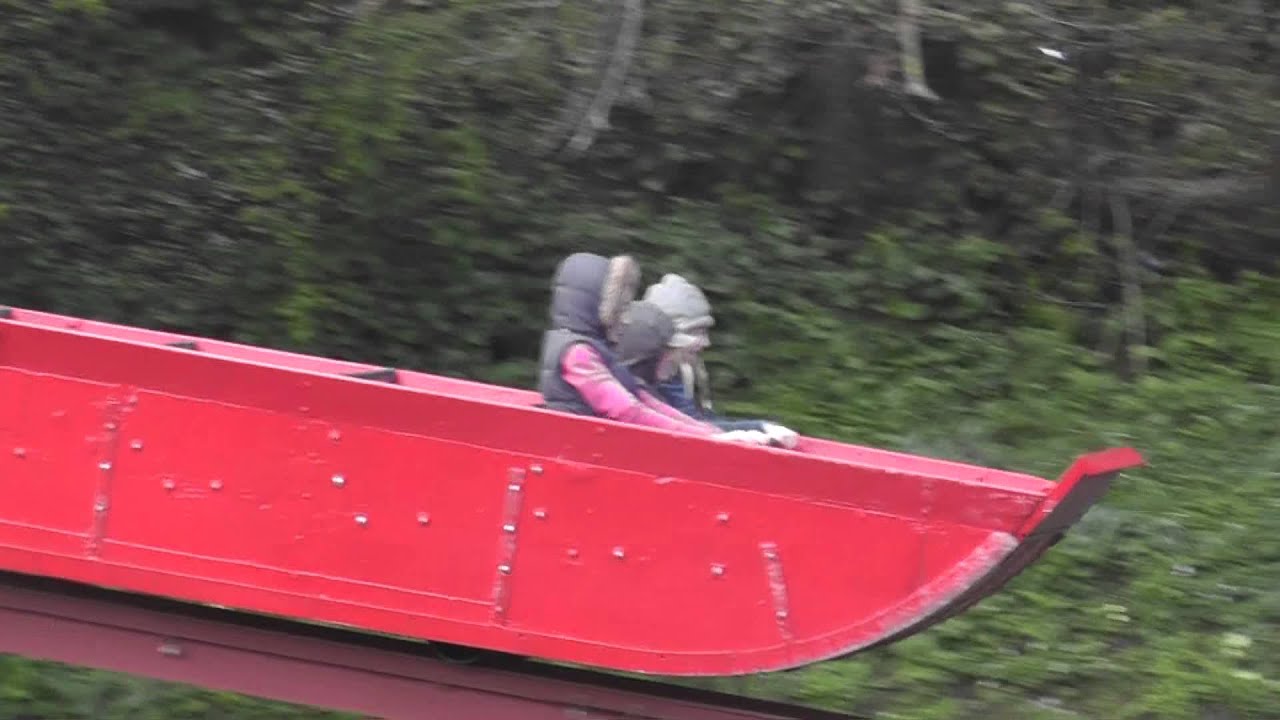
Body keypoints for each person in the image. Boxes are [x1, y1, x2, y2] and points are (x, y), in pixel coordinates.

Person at [537, 253, 769, 444]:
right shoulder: (577, 354)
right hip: (578, 448)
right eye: (620, 309)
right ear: (594, 306)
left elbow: (645, 401)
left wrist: (711, 433)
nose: (626, 319)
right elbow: (628, 411)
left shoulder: (595, 349)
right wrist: (709, 436)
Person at [642, 273, 800, 448]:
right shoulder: (640, 375)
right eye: (696, 332)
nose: (706, 342)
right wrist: (749, 431)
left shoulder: (676, 371)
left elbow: (697, 422)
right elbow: (682, 428)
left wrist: (762, 427)